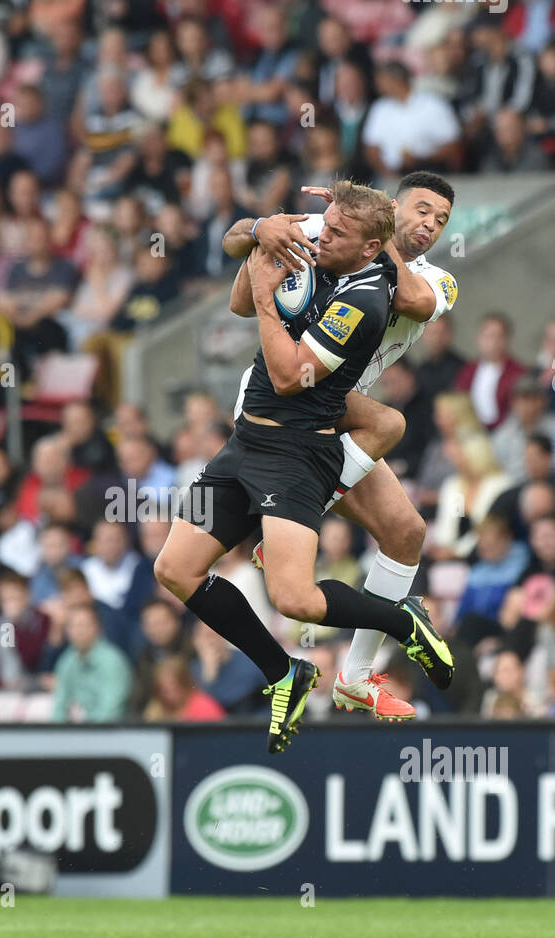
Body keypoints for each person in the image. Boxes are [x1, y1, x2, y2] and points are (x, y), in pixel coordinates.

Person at [156, 180, 453, 754]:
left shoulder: (426, 280)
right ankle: (291, 672)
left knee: (399, 515)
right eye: (420, 209)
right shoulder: (325, 233)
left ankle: (362, 666)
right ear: (395, 206)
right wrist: (261, 226)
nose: (430, 224)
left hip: (310, 413)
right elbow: (236, 248)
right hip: (265, 415)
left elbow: (411, 301)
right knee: (173, 567)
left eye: (440, 219)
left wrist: (370, 234)